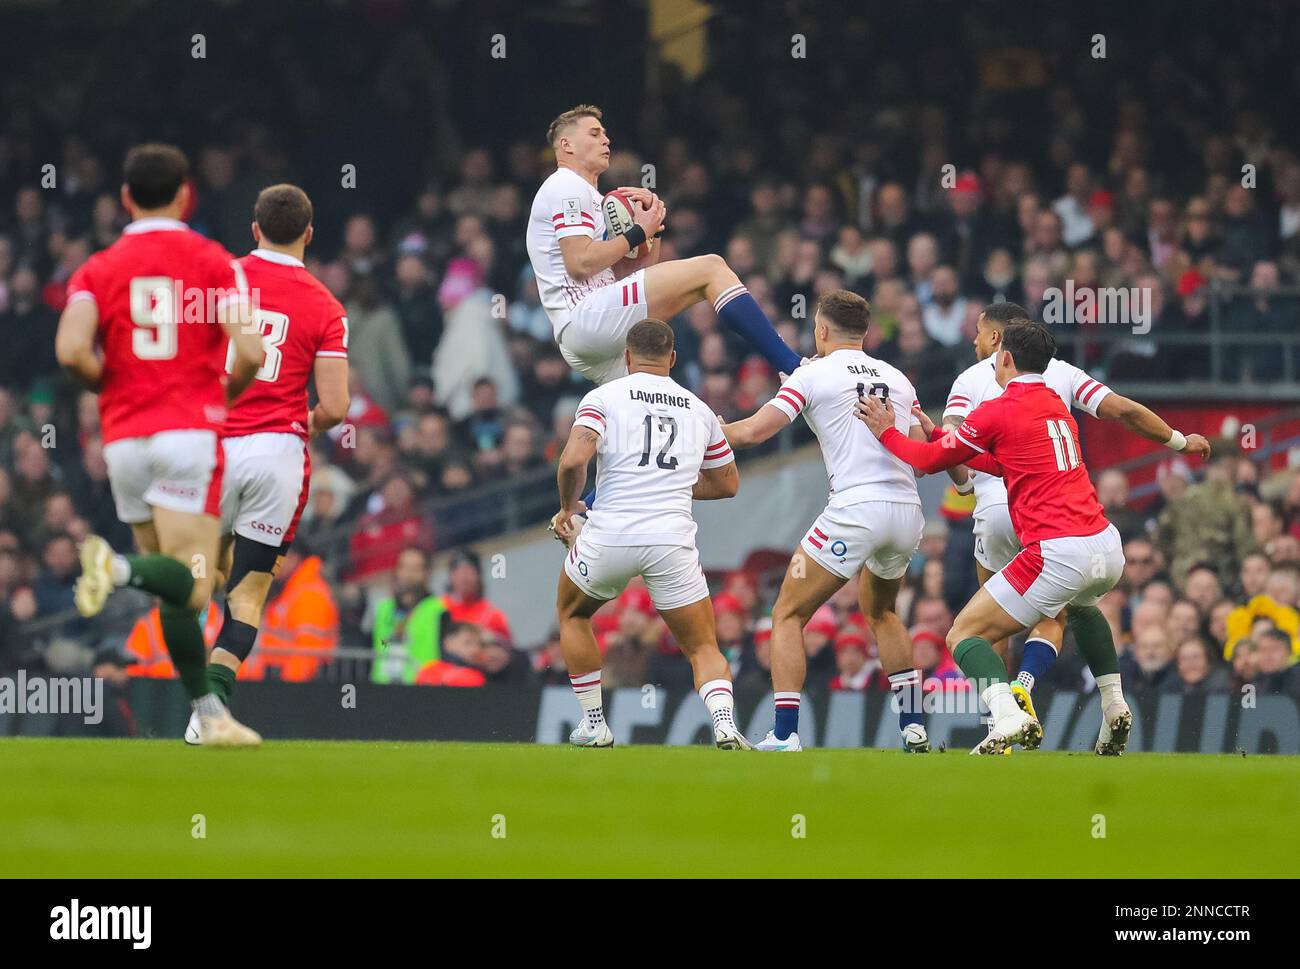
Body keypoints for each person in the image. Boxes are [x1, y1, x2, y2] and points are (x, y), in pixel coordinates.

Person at [858, 321, 1209, 754]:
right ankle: (1115, 704)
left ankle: (1008, 716)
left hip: (1056, 550)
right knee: (1081, 606)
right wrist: (940, 435)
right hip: (1104, 543)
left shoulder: (998, 407)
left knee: (964, 634)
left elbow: (930, 464)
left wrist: (887, 432)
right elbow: (1005, 463)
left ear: (1003, 357)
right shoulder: (1057, 405)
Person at [55, 143, 265, 747]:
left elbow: (71, 350)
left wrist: (111, 384)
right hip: (186, 435)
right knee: (194, 584)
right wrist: (223, 392)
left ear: (125, 198)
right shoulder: (213, 261)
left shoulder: (97, 266)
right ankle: (113, 566)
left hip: (122, 440)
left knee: (170, 590)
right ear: (185, 195)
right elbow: (249, 349)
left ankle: (210, 715)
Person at [722, 290, 930, 752]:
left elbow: (755, 431)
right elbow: (920, 458)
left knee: (787, 613)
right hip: (907, 511)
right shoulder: (897, 378)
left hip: (855, 511)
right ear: (866, 333)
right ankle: (914, 727)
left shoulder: (811, 374)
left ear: (820, 330)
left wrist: (712, 430)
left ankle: (785, 734)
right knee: (882, 613)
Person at [185, 183, 351, 744]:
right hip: (277, 453)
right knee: (248, 594)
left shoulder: (215, 280)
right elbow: (336, 407)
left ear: (253, 229)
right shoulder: (326, 305)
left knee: (195, 582)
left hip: (209, 448)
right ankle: (208, 714)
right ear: (309, 233)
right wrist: (286, 421)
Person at [550, 319, 749, 749]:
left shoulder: (603, 397)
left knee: (573, 613)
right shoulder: (697, 408)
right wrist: (671, 482)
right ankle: (725, 724)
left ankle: (594, 724)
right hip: (670, 543)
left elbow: (571, 462)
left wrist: (569, 508)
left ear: (626, 356)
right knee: (702, 646)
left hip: (609, 537)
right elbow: (728, 483)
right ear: (673, 359)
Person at [526, 105, 799, 388]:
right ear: (566, 144)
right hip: (586, 317)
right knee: (712, 268)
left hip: (593, 335)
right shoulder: (565, 185)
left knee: (667, 411)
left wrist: (652, 231)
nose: (605, 141)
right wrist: (636, 232)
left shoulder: (594, 197)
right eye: (594, 134)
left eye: (605, 134)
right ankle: (793, 367)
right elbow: (580, 263)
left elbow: (633, 276)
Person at [369, 546, 448, 685]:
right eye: (403, 567)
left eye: (415, 569)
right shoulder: (384, 609)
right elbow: (380, 644)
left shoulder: (438, 609)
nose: (408, 575)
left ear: (426, 573)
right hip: (383, 688)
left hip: (421, 689)